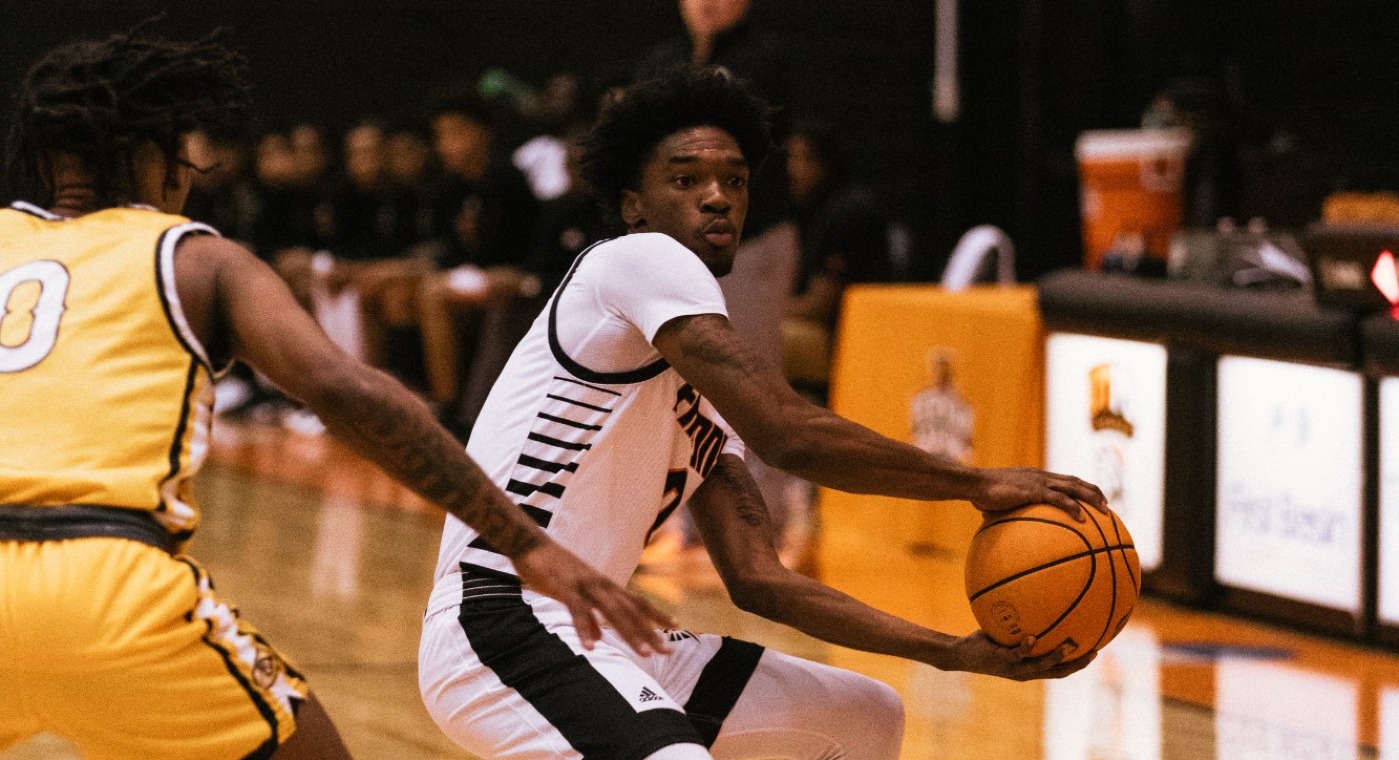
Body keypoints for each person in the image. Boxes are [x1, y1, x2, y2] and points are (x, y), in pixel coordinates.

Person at [0, 30, 673, 760]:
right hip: (106, 584)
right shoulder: (193, 256)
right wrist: (522, 541)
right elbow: (350, 392)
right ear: (157, 154)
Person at [418, 65, 1107, 760]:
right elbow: (788, 434)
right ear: (634, 204)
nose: (716, 198)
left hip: (609, 633)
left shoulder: (708, 396)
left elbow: (760, 580)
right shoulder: (635, 260)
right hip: (499, 621)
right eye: (685, 180)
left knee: (862, 714)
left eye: (735, 180)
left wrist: (950, 651)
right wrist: (976, 484)